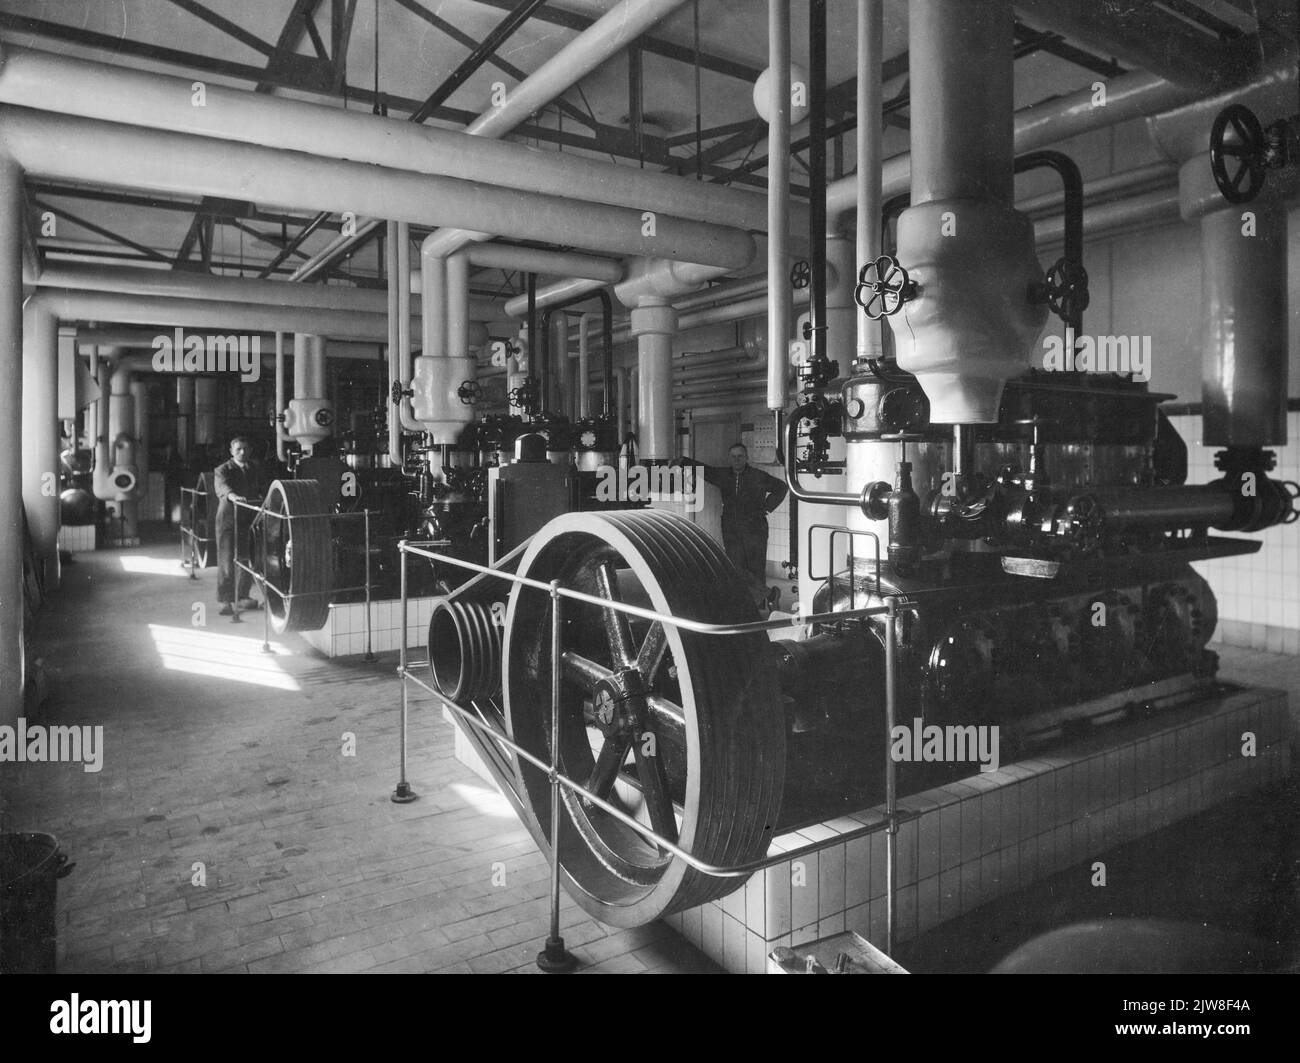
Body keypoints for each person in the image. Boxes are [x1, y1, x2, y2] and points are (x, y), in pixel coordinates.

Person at [699, 443, 788, 609]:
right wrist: (682, 461)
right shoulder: (723, 475)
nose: (737, 460)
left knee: (756, 566)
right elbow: (705, 471)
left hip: (755, 528)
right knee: (734, 565)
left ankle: (759, 605)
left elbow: (781, 488)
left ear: (746, 458)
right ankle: (769, 594)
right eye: (733, 456)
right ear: (729, 459)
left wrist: (767, 508)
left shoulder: (758, 476)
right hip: (731, 528)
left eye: (740, 456)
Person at [213, 436, 266, 615]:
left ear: (250, 450)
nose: (242, 452)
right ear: (231, 452)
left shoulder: (254, 468)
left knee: (247, 558)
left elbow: (262, 488)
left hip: (248, 519)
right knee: (227, 559)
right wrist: (233, 496)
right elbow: (222, 486)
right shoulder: (222, 469)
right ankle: (225, 600)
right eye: (238, 449)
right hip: (228, 519)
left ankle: (242, 596)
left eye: (245, 449)